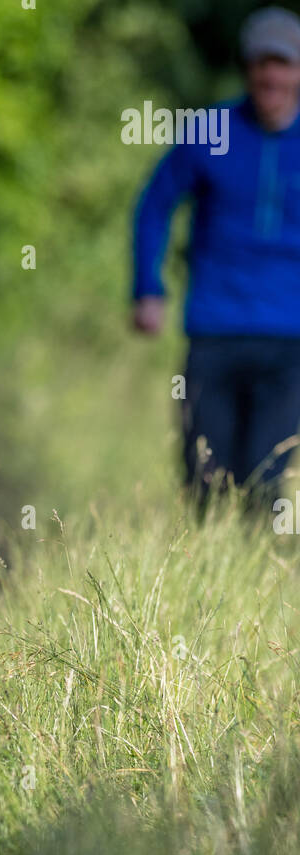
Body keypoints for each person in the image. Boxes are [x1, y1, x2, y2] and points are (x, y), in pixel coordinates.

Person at [132, 6, 300, 502]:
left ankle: (256, 571)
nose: (271, 75)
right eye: (262, 63)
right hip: (214, 327)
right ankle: (203, 564)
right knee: (205, 471)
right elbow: (154, 205)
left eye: (283, 63)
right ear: (248, 68)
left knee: (267, 476)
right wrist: (148, 287)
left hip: (289, 336)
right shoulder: (212, 130)